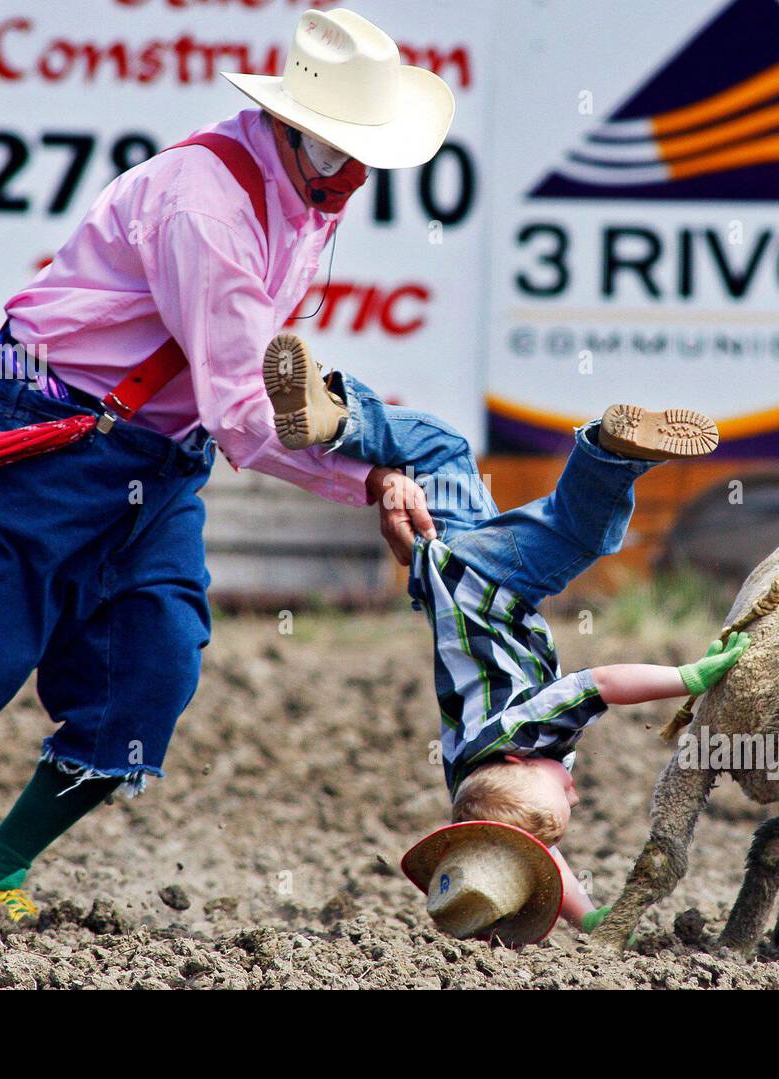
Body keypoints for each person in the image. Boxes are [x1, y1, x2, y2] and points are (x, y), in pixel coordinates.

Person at [0, 8, 452, 923]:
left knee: (150, 670)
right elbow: (245, 416)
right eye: (348, 147)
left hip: (148, 449)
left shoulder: (298, 194)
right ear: (301, 130)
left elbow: (245, 385)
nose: (359, 168)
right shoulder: (210, 210)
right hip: (57, 426)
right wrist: (370, 478)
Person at [262, 332, 751, 932]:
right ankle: (338, 419)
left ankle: (608, 453)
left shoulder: (523, 734)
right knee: (442, 446)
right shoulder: (475, 773)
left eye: (559, 795)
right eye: (565, 809)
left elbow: (598, 683)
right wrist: (589, 917)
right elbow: (537, 843)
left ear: (522, 761)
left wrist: (684, 678)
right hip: (439, 565)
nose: (573, 795)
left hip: (490, 583)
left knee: (578, 537)